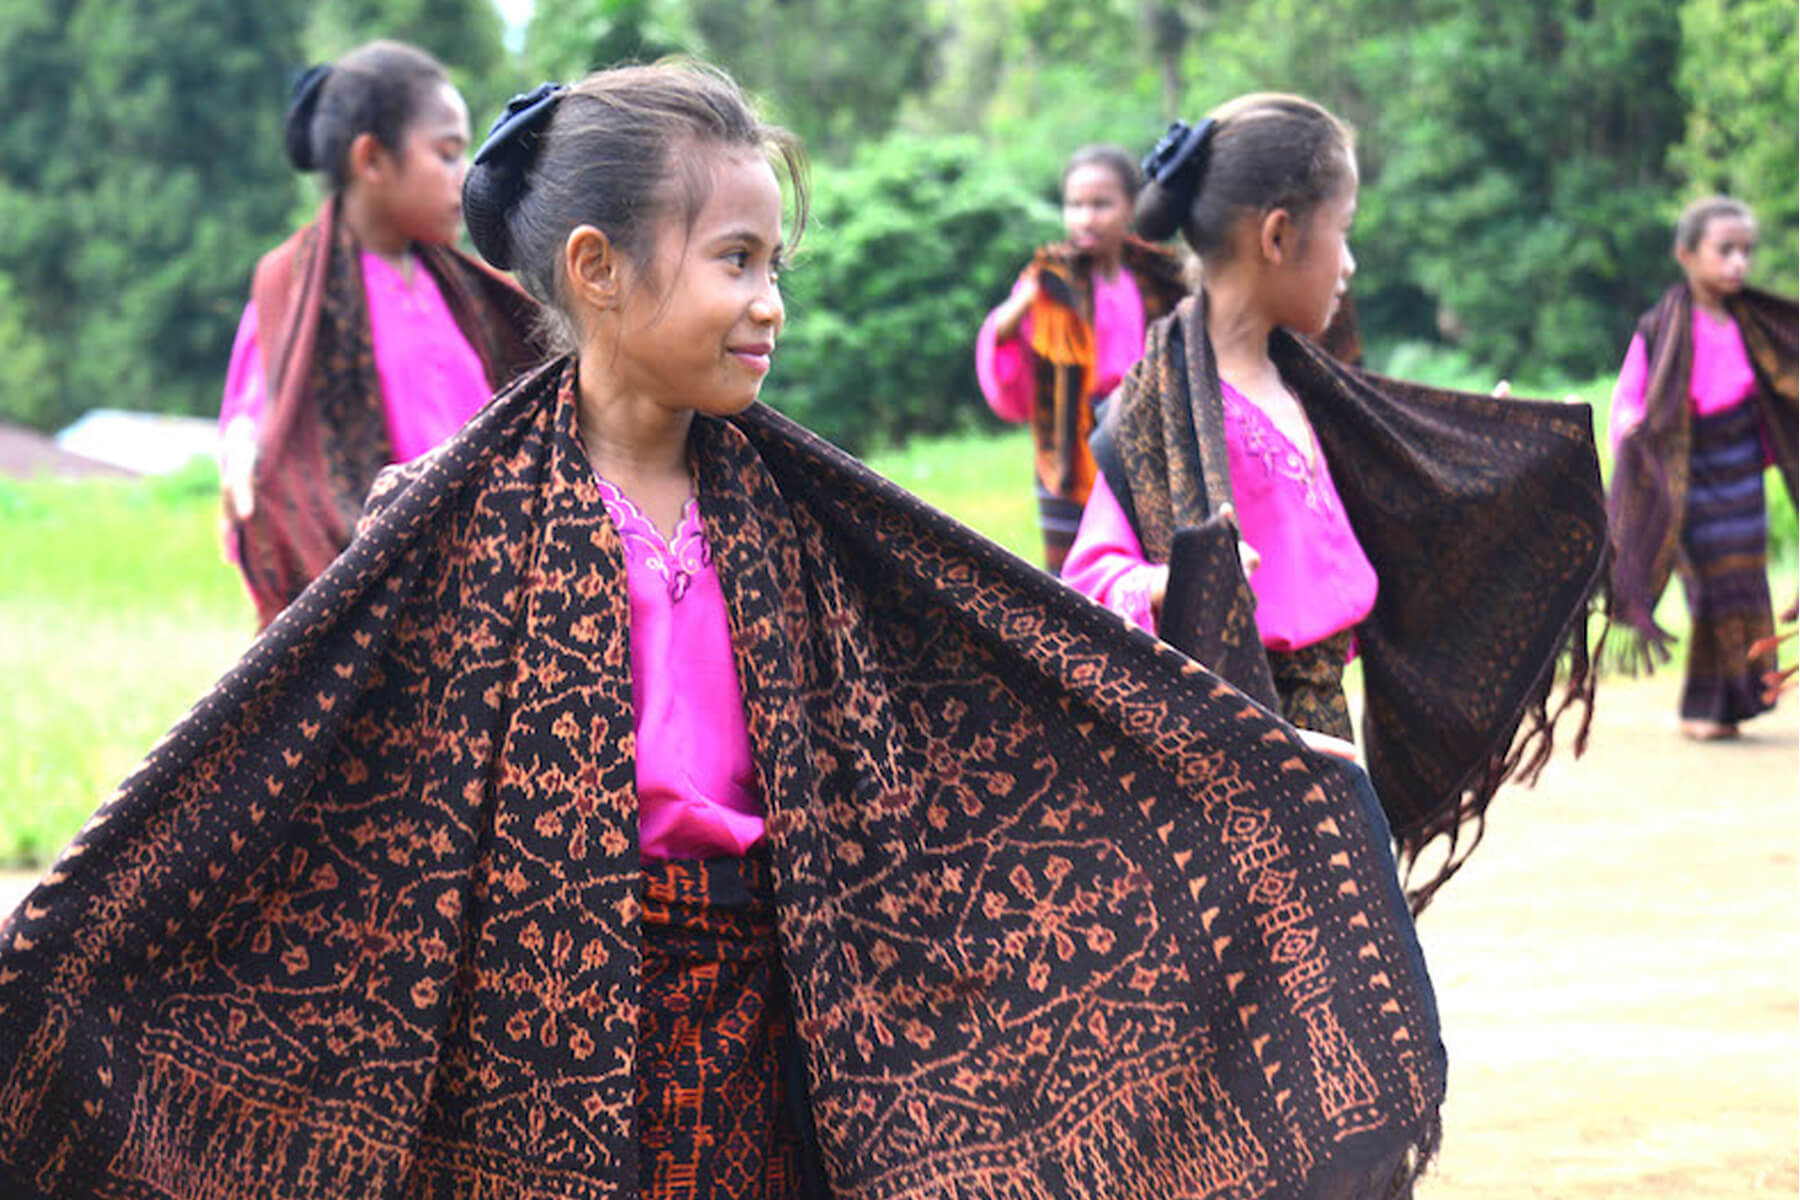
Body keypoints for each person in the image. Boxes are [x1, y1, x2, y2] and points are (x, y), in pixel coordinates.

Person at [0, 64, 1446, 1199]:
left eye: (776, 266)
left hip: (774, 1021)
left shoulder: (796, 513)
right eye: (739, 260)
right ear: (599, 271)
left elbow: (985, 681)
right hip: (543, 1043)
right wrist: (72, 947)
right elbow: (317, 777)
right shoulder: (448, 520)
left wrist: (1255, 771)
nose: (772, 304)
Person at [1062, 96, 1610, 902]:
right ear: (1280, 236)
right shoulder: (1162, 414)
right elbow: (1087, 583)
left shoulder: (1307, 388)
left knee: (1368, 998)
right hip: (1245, 762)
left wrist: (1483, 463)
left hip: (1330, 737)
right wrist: (1167, 582)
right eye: (1344, 228)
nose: (1349, 262)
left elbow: (1391, 512)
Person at [217, 39, 540, 629]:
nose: (464, 175)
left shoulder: (461, 289)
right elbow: (260, 410)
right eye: (446, 155)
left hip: (480, 580)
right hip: (377, 594)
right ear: (372, 160)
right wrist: (245, 462)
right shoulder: (292, 288)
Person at [1607, 195, 1798, 741]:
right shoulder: (1660, 327)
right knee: (1711, 587)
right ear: (1686, 255)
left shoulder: (1757, 322)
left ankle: (1737, 702)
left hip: (1742, 471)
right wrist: (1636, 440)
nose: (1739, 262)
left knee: (1744, 581)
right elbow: (1628, 401)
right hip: (1686, 475)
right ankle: (1705, 707)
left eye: (1746, 251)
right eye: (1725, 250)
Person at [976, 145, 1187, 571]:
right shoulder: (1051, 278)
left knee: (1146, 558)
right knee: (1072, 569)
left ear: (1130, 207)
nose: (1086, 217)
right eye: (1075, 205)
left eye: (1101, 204)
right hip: (1070, 445)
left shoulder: (1154, 277)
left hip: (1141, 434)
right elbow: (1001, 337)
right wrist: (1026, 303)